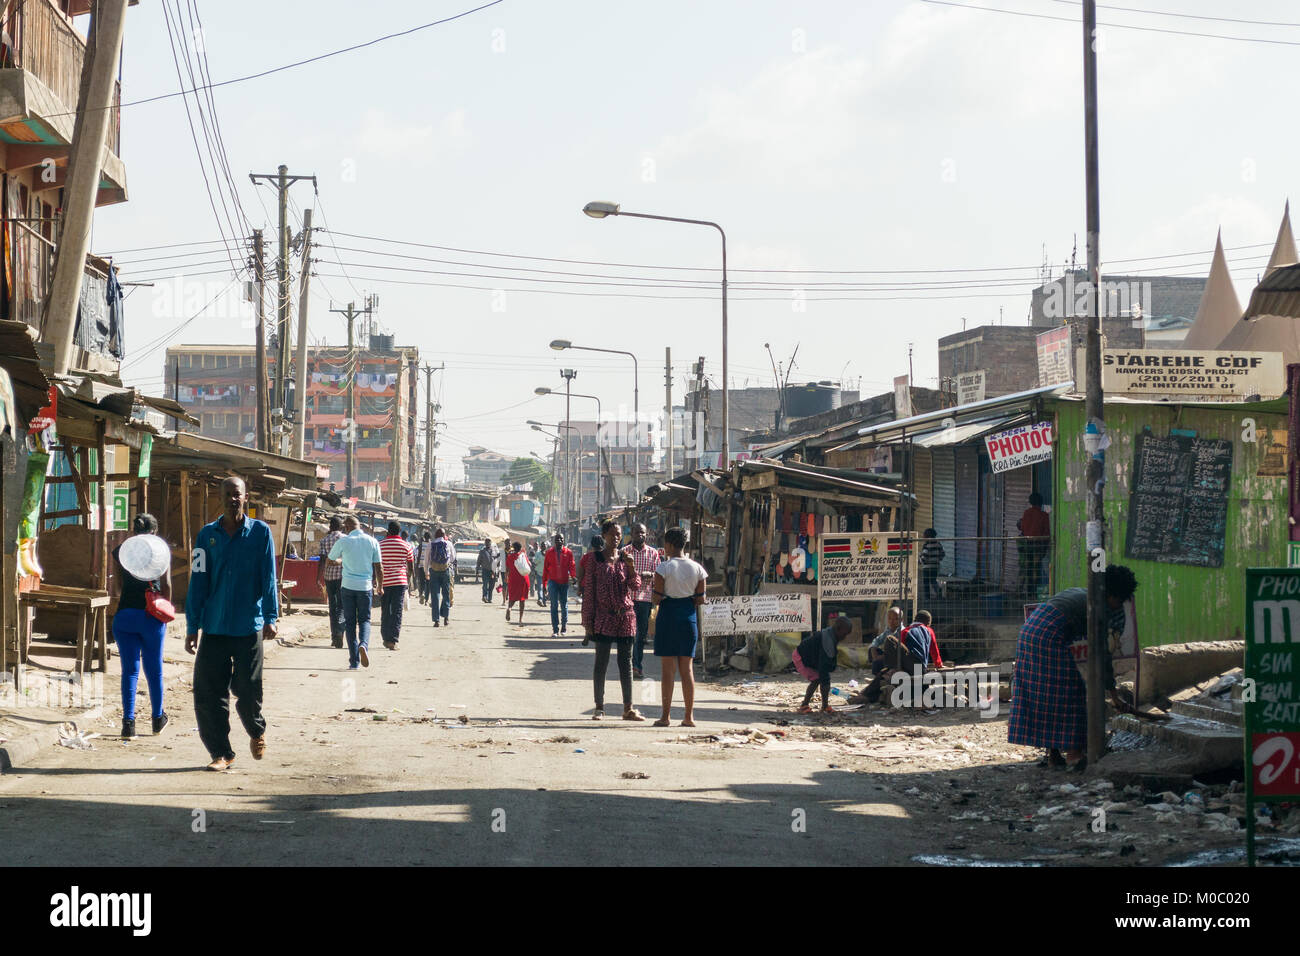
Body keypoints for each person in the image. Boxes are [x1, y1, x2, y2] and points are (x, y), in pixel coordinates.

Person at [184, 476, 279, 772]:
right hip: (213, 627)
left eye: (236, 494)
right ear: (220, 497)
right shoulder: (206, 536)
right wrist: (192, 625)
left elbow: (268, 577)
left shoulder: (260, 533)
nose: (231, 499)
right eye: (226, 494)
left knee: (248, 690)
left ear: (245, 497)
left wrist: (272, 616)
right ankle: (221, 753)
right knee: (208, 692)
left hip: (247, 625)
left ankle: (256, 730)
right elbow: (198, 580)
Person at [1008, 565, 1138, 772]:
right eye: (1119, 600)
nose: (1119, 605)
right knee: (1072, 693)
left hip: (1028, 634)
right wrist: (1114, 696)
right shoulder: (1098, 607)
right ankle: (1075, 755)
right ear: (1112, 594)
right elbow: (1102, 655)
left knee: (1045, 694)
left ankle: (1053, 755)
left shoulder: (1084, 594)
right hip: (1047, 637)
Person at [111, 513, 171, 740]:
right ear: (154, 532)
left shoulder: (120, 551)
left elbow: (117, 587)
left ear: (134, 531)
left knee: (130, 671)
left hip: (124, 616)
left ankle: (128, 724)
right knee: (154, 670)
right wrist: (164, 610)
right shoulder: (161, 552)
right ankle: (157, 719)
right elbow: (166, 585)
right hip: (151, 617)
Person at [581, 521, 645, 721]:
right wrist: (587, 620)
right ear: (604, 535)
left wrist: (632, 567)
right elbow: (589, 591)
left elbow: (635, 586)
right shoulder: (595, 559)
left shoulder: (626, 559)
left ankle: (628, 708)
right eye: (612, 534)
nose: (616, 538)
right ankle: (599, 707)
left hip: (625, 616)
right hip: (603, 616)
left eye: (619, 534)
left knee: (625, 664)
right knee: (601, 662)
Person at [649, 527, 706, 727]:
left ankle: (665, 716)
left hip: (668, 616)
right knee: (687, 669)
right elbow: (701, 599)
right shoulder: (698, 568)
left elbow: (656, 597)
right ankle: (689, 717)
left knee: (668, 670)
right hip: (688, 617)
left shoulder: (663, 568)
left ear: (670, 545)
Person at [327, 515, 384, 670]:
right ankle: (363, 645)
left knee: (350, 623)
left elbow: (330, 559)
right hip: (365, 587)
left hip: (347, 587)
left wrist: (341, 560)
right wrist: (380, 586)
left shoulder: (343, 541)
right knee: (365, 620)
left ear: (346, 528)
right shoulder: (372, 541)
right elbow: (378, 567)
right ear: (360, 526)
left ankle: (354, 662)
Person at [623, 523, 661, 679]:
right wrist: (638, 574)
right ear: (631, 533)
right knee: (627, 634)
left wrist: (648, 575)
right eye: (637, 532)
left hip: (644, 599)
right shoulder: (624, 553)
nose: (640, 535)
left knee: (640, 635)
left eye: (643, 533)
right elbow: (620, 574)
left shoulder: (653, 553)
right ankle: (626, 665)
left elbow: (658, 574)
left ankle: (637, 666)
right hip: (627, 598)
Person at [794, 617, 853, 713]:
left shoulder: (832, 634)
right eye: (844, 634)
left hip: (810, 657)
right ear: (838, 629)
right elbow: (824, 668)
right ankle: (806, 706)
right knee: (817, 679)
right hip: (801, 656)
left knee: (819, 678)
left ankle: (819, 706)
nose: (845, 637)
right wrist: (826, 682)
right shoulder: (828, 641)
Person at [379, 521, 413, 650]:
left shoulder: (380, 545)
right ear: (399, 531)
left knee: (385, 609)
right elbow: (410, 567)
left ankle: (386, 637)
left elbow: (376, 565)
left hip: (385, 581)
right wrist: (409, 582)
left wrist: (376, 581)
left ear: (388, 530)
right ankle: (393, 640)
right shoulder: (406, 545)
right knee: (397, 611)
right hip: (400, 581)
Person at [316, 516, 346, 648]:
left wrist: (318, 577)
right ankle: (340, 632)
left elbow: (322, 560)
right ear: (340, 526)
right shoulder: (345, 539)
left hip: (328, 577)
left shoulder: (324, 540)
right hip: (343, 577)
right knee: (342, 606)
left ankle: (334, 636)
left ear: (330, 526)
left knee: (332, 607)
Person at [1017, 492, 1051, 598]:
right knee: (1035, 569)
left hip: (1026, 545)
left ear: (1030, 502)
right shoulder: (1044, 515)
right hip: (1038, 545)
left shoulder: (1026, 513)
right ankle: (1033, 593)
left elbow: (1022, 527)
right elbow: (1046, 532)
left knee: (1025, 568)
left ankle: (1020, 592)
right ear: (1040, 503)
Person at [544, 532, 577, 638]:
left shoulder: (568, 552)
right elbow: (545, 569)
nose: (559, 541)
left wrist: (573, 576)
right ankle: (555, 629)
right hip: (553, 582)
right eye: (557, 539)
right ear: (554, 540)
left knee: (564, 605)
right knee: (554, 605)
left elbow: (572, 566)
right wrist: (544, 584)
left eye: (561, 539)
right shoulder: (549, 552)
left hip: (564, 582)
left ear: (564, 540)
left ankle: (564, 627)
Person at [427, 527, 453, 627]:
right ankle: (446, 618)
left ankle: (436, 620)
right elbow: (453, 558)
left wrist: (426, 572)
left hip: (434, 571)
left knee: (435, 595)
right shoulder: (449, 544)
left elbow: (427, 560)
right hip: (445, 570)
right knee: (446, 595)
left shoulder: (431, 544)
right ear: (443, 535)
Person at [505, 540, 531, 625]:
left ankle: (509, 608)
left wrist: (506, 577)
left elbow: (507, 568)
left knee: (512, 597)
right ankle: (520, 619)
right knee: (522, 600)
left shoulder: (510, 557)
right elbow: (529, 565)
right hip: (523, 579)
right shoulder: (523, 556)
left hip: (513, 579)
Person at [919, 529, 944, 603]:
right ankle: (938, 592)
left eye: (924, 535)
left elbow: (924, 556)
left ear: (927, 536)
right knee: (933, 580)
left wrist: (919, 561)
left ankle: (927, 597)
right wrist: (938, 559)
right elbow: (942, 554)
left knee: (926, 582)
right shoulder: (938, 544)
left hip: (927, 567)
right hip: (935, 566)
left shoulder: (926, 545)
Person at [415, 530, 432, 605]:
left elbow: (418, 556)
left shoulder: (421, 545)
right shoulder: (432, 545)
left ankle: (422, 593)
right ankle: (426, 599)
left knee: (421, 581)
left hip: (421, 566)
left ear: (424, 537)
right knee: (428, 583)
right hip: (429, 567)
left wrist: (417, 565)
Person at [494, 541, 508, 606]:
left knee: (510, 586)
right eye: (507, 543)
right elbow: (498, 560)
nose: (509, 544)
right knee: (505, 585)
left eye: (509, 543)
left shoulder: (512, 552)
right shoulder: (502, 552)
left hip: (511, 571)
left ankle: (507, 596)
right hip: (504, 571)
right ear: (505, 544)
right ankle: (504, 600)